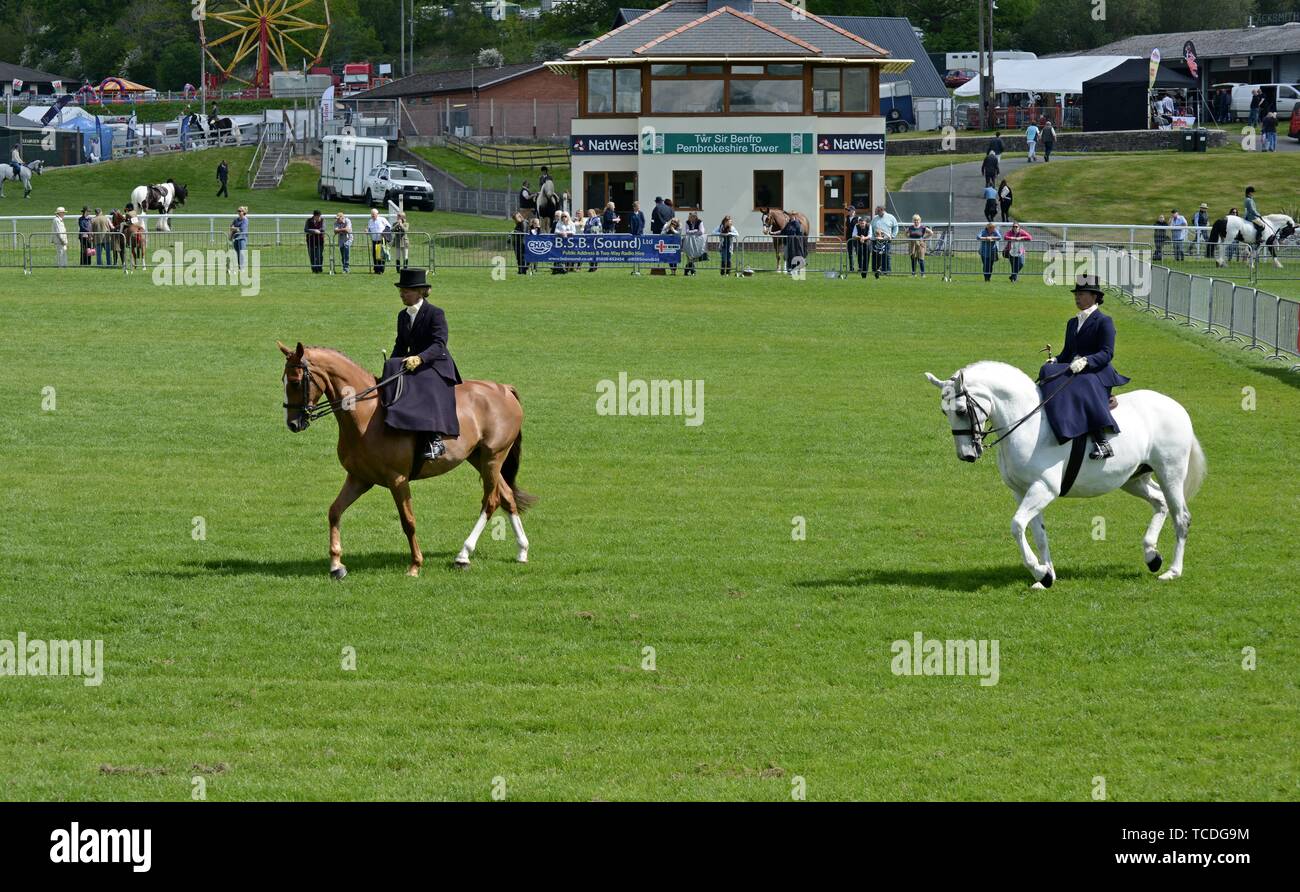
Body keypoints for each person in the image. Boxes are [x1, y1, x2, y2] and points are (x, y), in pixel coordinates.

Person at [1038, 274, 1131, 460]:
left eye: (1081, 294)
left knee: (1083, 383)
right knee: (1047, 371)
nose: (1077, 297)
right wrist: (1055, 360)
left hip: (1097, 371)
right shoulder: (1072, 322)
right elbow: (1067, 353)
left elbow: (1106, 353)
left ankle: (1101, 441)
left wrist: (1086, 361)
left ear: (1094, 296)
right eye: (1076, 294)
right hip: (1074, 367)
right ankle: (1055, 421)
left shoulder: (1104, 321)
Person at [388, 267, 462, 462]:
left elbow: (439, 343)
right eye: (401, 290)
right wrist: (392, 365)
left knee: (423, 385)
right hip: (412, 362)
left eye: (407, 290)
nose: (402, 294)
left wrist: (420, 358)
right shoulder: (402, 316)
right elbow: (400, 345)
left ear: (420, 291)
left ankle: (434, 439)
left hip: (436, 363)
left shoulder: (435, 313)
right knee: (390, 372)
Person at [868, 204, 897, 278]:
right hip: (875, 240)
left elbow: (895, 227)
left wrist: (893, 236)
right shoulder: (875, 218)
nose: (876, 212)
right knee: (875, 255)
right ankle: (875, 270)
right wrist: (871, 237)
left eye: (878, 211)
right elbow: (871, 227)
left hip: (886, 241)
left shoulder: (891, 217)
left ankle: (886, 271)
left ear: (882, 210)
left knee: (886, 255)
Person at [367, 208, 391, 274]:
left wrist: (384, 233)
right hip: (374, 240)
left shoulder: (382, 219)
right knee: (375, 255)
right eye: (371, 214)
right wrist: (367, 231)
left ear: (377, 214)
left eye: (374, 214)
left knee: (381, 255)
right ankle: (376, 269)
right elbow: (369, 230)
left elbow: (389, 227)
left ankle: (381, 270)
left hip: (381, 240)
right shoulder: (370, 221)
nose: (372, 215)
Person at [682, 211, 705, 276]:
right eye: (690, 216)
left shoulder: (700, 222)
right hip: (689, 241)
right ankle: (693, 271)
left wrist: (691, 232)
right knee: (689, 256)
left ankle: (687, 270)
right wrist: (695, 230)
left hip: (697, 241)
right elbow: (687, 231)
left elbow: (701, 231)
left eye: (693, 216)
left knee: (693, 257)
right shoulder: (687, 222)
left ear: (695, 216)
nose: (691, 218)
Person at [849, 212, 872, 279]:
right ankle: (861, 268)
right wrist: (860, 237)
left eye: (863, 223)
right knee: (859, 255)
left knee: (867, 257)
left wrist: (864, 238)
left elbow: (870, 235)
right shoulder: (856, 226)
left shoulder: (869, 226)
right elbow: (853, 235)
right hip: (859, 243)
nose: (862, 224)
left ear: (866, 223)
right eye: (861, 223)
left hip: (867, 243)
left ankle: (865, 271)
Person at [628, 200, 646, 276]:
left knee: (639, 247)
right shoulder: (631, 214)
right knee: (634, 248)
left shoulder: (641, 213)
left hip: (639, 233)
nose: (638, 208)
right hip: (633, 234)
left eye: (639, 206)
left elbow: (643, 222)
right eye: (637, 207)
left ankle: (639, 261)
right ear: (634, 207)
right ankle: (634, 261)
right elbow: (629, 223)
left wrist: (640, 230)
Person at [229, 206, 248, 270]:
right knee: (237, 253)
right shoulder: (236, 219)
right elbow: (231, 226)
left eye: (240, 211)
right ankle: (239, 267)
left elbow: (242, 229)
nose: (238, 212)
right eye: (238, 211)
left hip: (242, 238)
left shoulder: (245, 220)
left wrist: (234, 228)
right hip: (236, 238)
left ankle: (242, 268)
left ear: (243, 212)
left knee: (242, 253)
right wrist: (231, 236)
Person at [583, 208, 602, 272]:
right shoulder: (588, 220)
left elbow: (599, 228)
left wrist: (593, 231)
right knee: (589, 253)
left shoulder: (597, 219)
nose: (589, 215)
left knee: (595, 253)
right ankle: (591, 266)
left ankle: (595, 267)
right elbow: (585, 228)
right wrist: (584, 234)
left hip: (595, 239)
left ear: (593, 213)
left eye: (590, 213)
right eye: (588, 214)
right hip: (588, 238)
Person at [512, 211, 529, 275]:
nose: (515, 220)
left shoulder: (524, 222)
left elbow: (523, 233)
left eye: (515, 219)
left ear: (519, 217)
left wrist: (515, 232)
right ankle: (520, 270)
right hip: (517, 243)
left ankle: (523, 270)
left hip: (522, 243)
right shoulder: (519, 223)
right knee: (518, 258)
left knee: (522, 257)